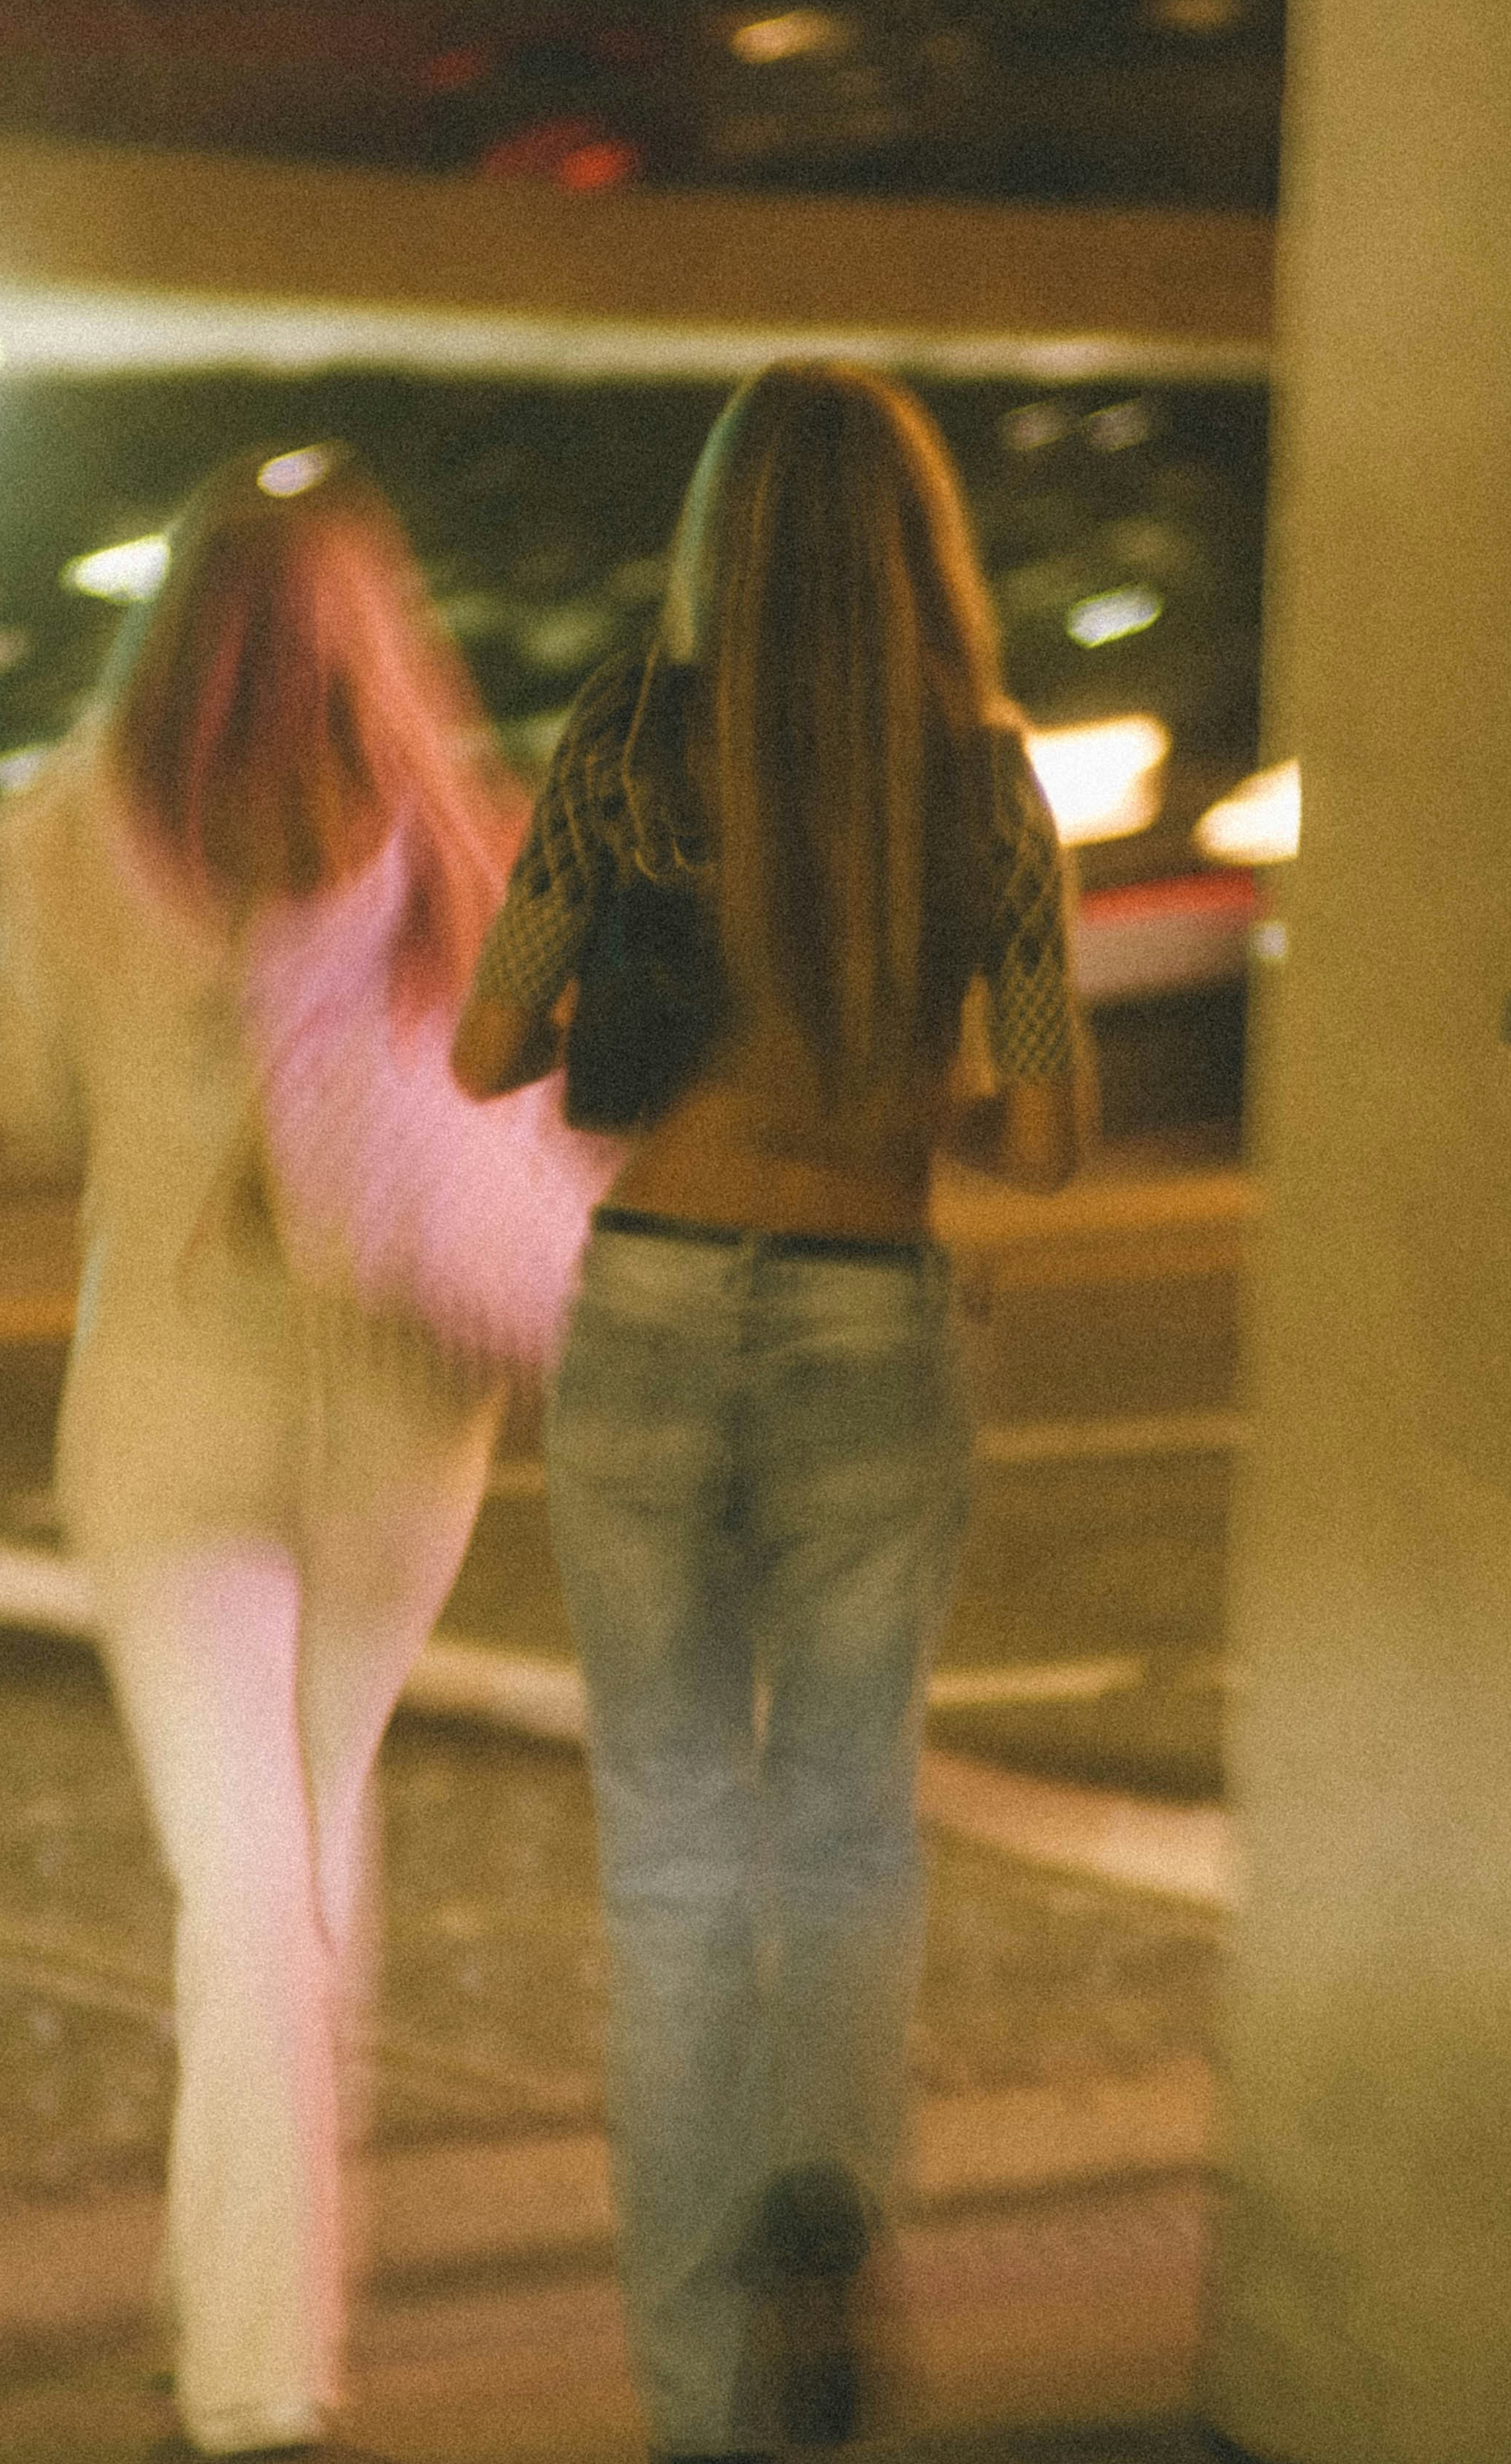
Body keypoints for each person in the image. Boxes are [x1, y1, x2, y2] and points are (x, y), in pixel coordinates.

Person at [453, 360, 1088, 2464]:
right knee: (842, 1821)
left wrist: (627, 983)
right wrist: (913, 1054)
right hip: (867, 1305)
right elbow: (1049, 1128)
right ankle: (828, 2206)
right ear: (919, 547)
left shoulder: (633, 741)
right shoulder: (980, 781)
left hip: (649, 1307)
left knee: (674, 1858)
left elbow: (481, 1046)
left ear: (721, 536)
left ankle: (698, 2413)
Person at [0, 443, 529, 2463]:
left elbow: (35, 1108)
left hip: (171, 1404)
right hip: (401, 1413)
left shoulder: (49, 837)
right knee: (308, 1840)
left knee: (247, 1876)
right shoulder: (455, 843)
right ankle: (244, 2299)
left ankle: (256, 2378)